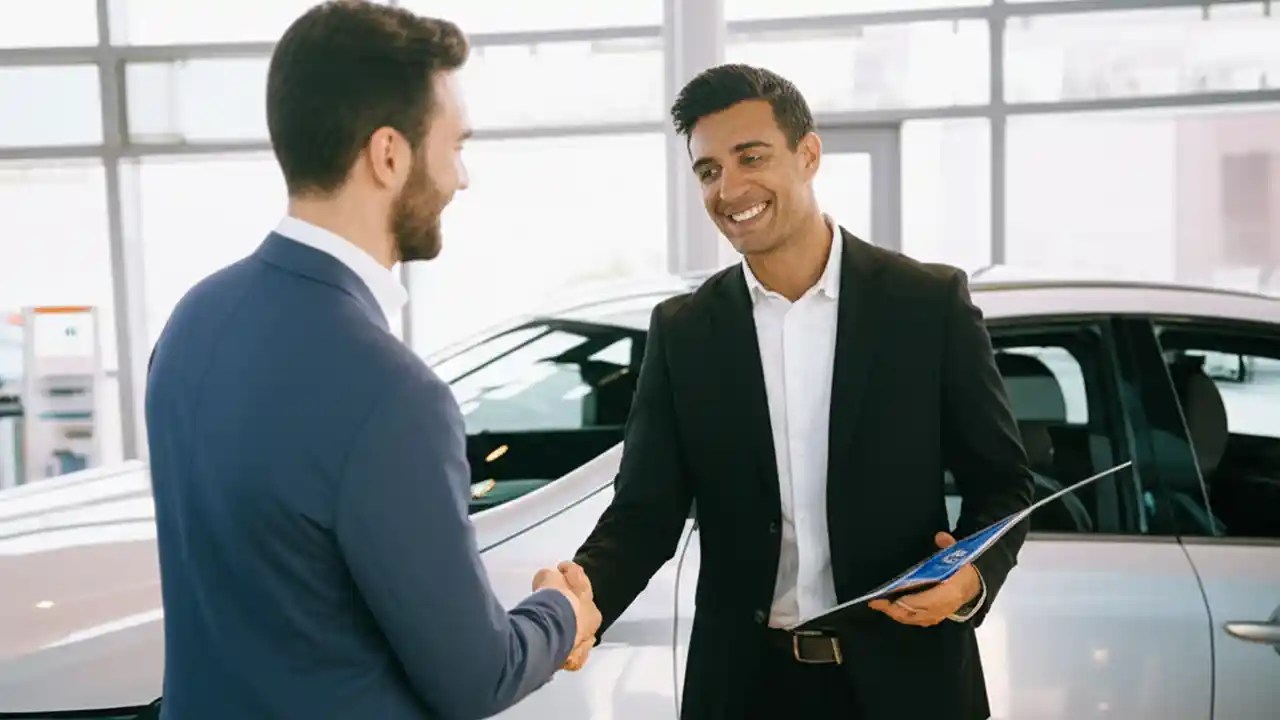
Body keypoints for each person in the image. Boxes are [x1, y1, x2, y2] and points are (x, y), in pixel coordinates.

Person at [144, 3, 598, 718]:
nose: (462, 178)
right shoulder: (392, 394)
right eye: (454, 146)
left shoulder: (193, 319)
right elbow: (476, 677)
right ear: (389, 154)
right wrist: (561, 612)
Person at [555, 64, 1034, 719]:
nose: (730, 188)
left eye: (751, 157)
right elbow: (645, 513)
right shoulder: (685, 332)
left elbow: (1003, 483)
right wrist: (583, 599)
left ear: (808, 155)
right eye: (708, 170)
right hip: (747, 690)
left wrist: (973, 577)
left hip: (908, 684)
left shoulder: (926, 305)